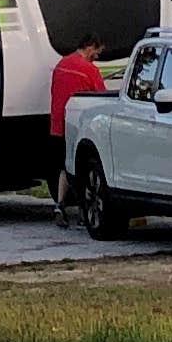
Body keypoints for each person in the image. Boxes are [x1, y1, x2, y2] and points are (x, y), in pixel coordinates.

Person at [49, 41, 106, 220]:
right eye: (97, 52)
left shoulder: (61, 65)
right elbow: (101, 97)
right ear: (90, 46)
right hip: (78, 126)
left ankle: (59, 205)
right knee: (81, 167)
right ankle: (84, 208)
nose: (97, 57)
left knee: (64, 167)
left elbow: (54, 91)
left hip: (58, 124)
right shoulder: (90, 70)